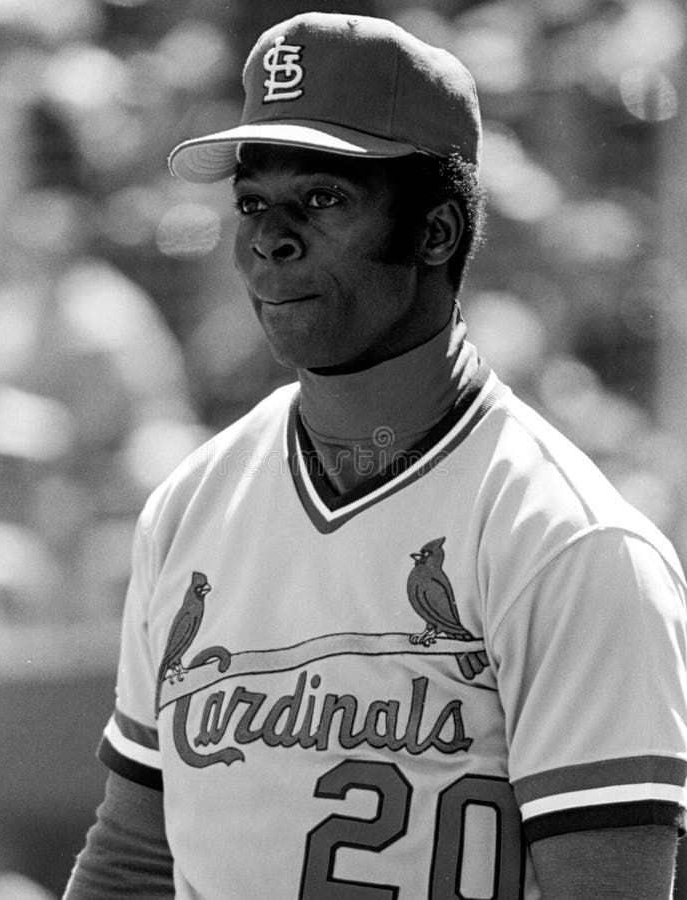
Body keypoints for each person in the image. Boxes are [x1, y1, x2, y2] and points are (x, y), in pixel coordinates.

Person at [64, 12, 687, 899]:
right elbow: (131, 865)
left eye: (321, 200)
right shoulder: (192, 506)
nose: (268, 239)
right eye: (251, 202)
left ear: (435, 234)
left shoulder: (569, 548)